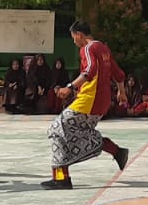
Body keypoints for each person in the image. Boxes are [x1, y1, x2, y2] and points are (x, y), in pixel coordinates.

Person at [42, 19, 130, 189]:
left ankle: (61, 178)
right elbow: (118, 74)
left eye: (73, 38)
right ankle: (115, 151)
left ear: (79, 35)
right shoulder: (103, 48)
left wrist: (69, 87)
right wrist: (122, 92)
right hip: (101, 103)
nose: (74, 42)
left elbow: (89, 70)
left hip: (89, 101)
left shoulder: (88, 48)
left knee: (56, 130)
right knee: (77, 132)